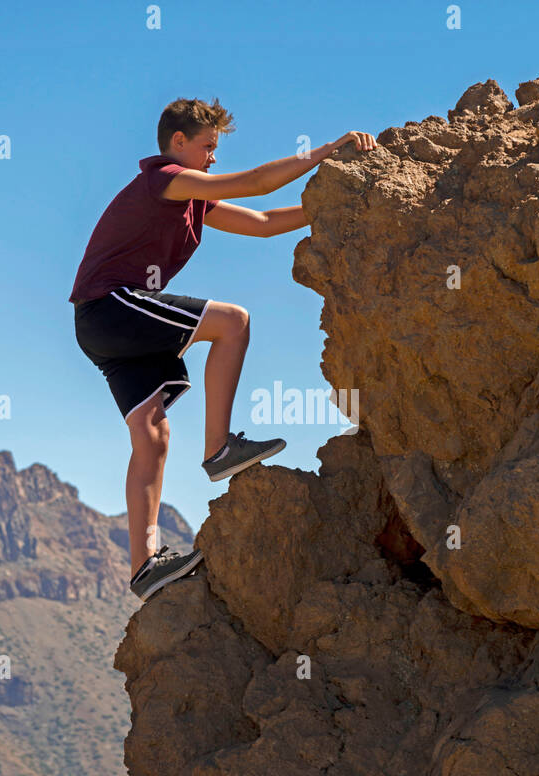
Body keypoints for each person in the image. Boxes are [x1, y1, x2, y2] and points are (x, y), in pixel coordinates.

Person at [69, 96, 377, 600]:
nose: (214, 157)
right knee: (233, 323)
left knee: (152, 436)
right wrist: (325, 152)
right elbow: (253, 183)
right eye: (208, 147)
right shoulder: (164, 178)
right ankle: (219, 449)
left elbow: (260, 222)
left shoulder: (193, 199)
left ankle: (145, 565)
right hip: (112, 308)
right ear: (178, 143)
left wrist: (326, 205)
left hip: (102, 325)